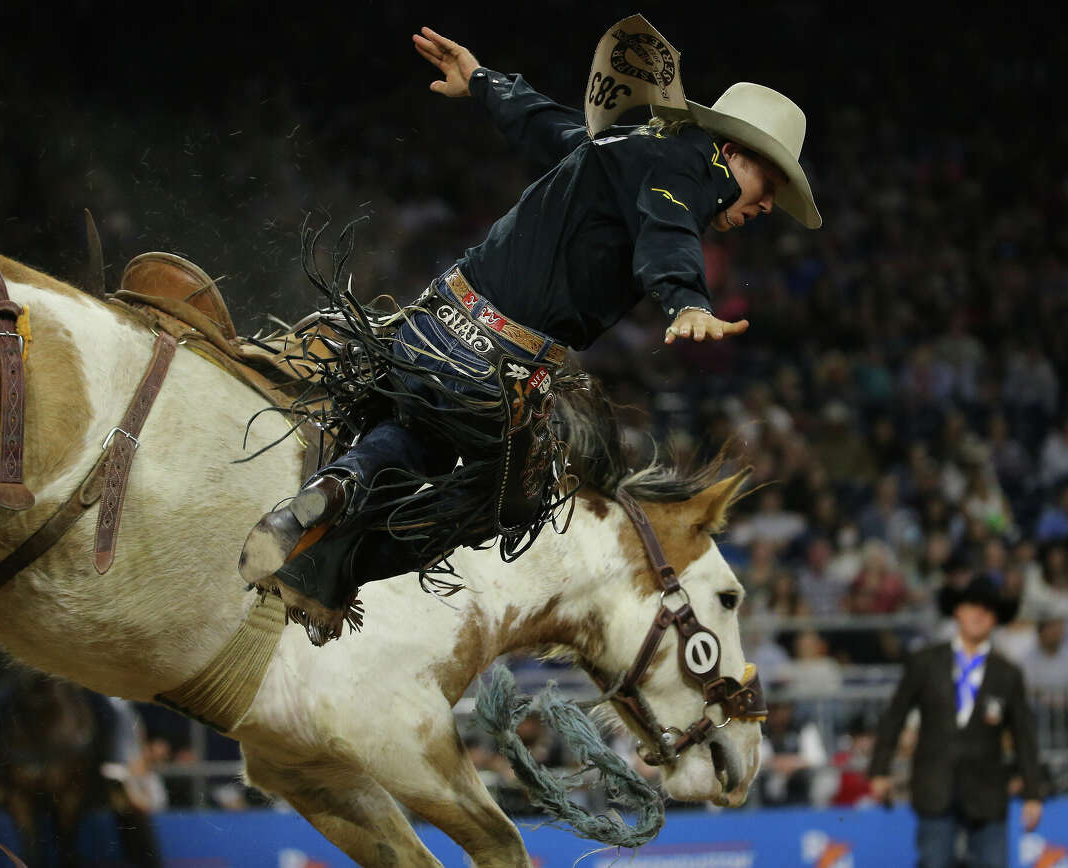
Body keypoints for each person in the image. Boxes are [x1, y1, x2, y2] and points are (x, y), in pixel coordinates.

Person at [239, 15, 821, 644]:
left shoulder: (626, 144)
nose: (768, 205)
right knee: (509, 503)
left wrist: (483, 81)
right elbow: (669, 228)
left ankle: (334, 487)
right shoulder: (686, 171)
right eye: (768, 184)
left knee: (418, 439)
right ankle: (331, 570)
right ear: (730, 153)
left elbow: (551, 127)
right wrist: (687, 300)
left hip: (427, 327)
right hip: (492, 372)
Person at [868, 575, 1044, 868]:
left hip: (987, 793)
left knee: (992, 863)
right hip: (936, 786)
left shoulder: (1007, 673)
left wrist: (1032, 793)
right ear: (957, 611)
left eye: (988, 608)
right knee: (934, 861)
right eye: (972, 605)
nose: (979, 614)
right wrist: (880, 769)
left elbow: (1024, 735)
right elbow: (894, 717)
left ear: (996, 619)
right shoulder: (925, 662)